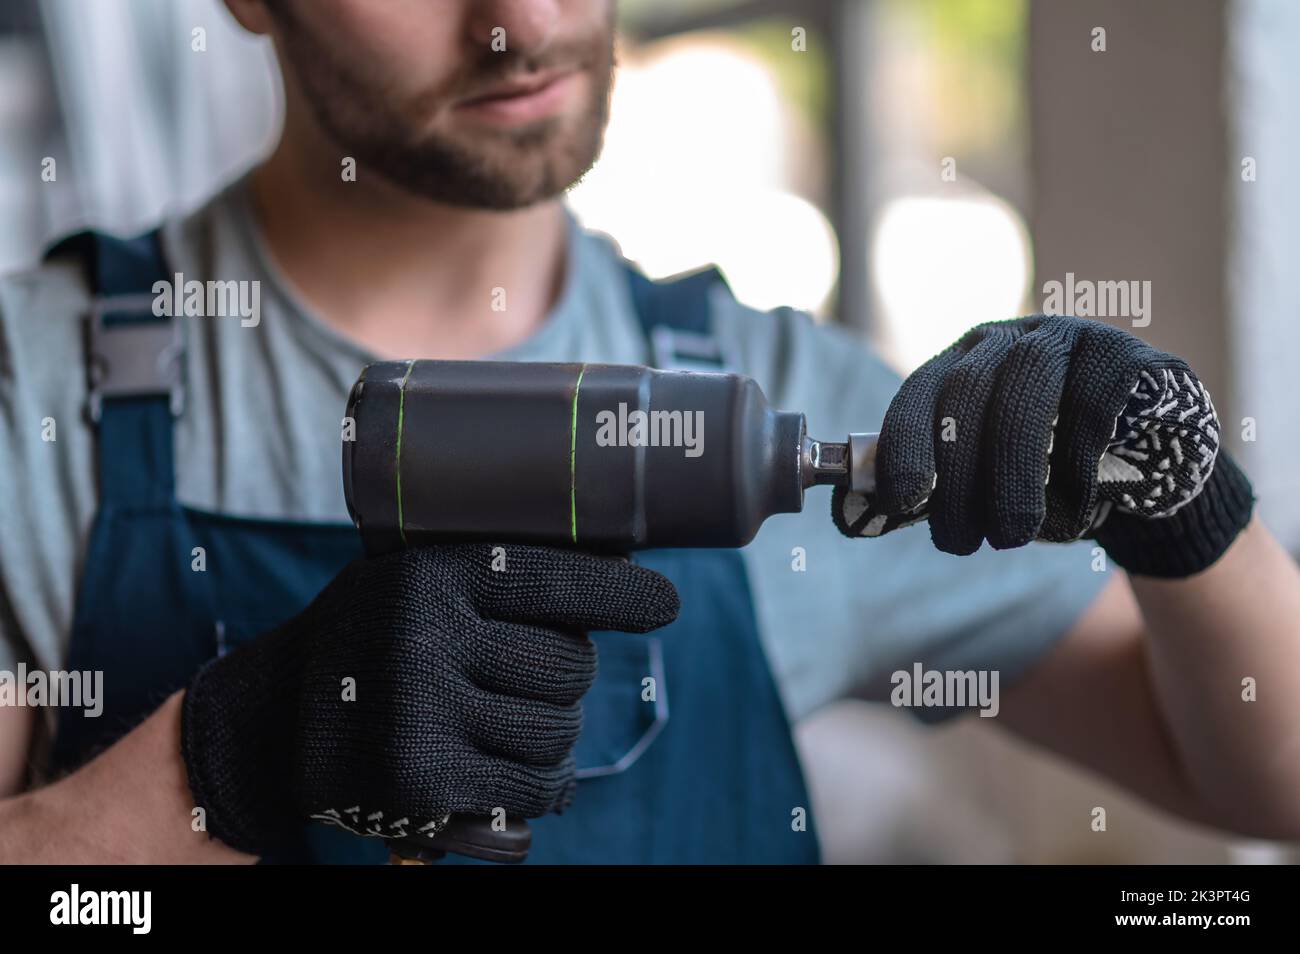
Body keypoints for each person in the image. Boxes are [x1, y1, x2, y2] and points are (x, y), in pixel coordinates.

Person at [0, 0, 1296, 864]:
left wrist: (1183, 499)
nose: (523, 21)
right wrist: (215, 763)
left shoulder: (783, 391)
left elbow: (1266, 778)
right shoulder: (41, 390)